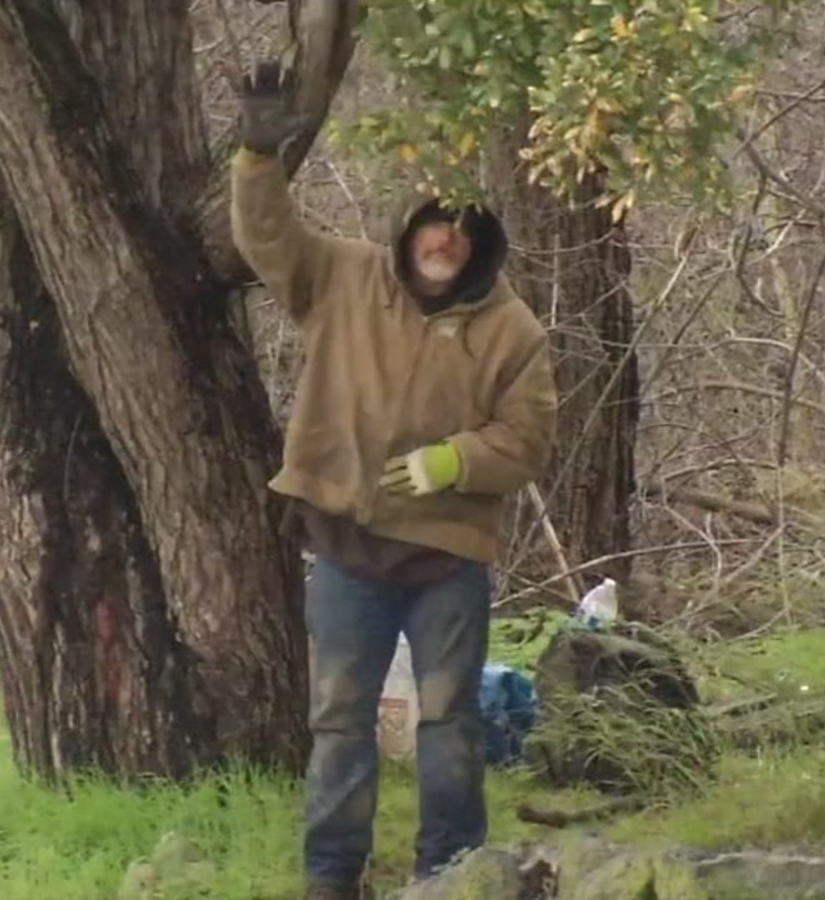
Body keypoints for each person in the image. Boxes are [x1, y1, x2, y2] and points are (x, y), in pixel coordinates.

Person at [229, 61, 559, 900]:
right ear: (408, 228)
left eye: (461, 228)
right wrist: (258, 157)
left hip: (447, 558)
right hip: (345, 545)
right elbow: (268, 241)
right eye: (431, 225)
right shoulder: (343, 277)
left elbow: (527, 439)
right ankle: (332, 879)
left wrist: (453, 462)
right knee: (340, 723)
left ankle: (451, 876)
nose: (444, 240)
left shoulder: (512, 329)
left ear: (482, 241)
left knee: (450, 726)